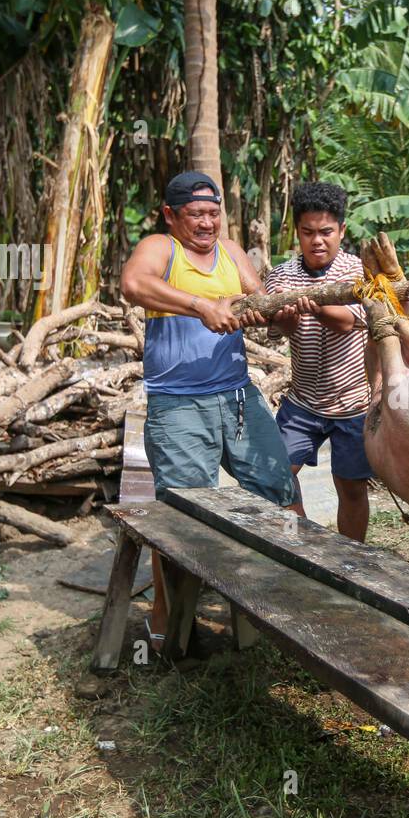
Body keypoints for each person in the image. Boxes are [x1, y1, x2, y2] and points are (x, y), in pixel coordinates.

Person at [120, 171, 304, 654]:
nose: (206, 224)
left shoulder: (232, 252)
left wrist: (285, 311)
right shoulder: (161, 249)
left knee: (279, 488)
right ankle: (171, 618)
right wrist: (200, 305)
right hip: (177, 405)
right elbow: (133, 284)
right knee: (184, 514)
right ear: (170, 216)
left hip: (237, 396)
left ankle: (290, 603)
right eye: (195, 215)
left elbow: (262, 309)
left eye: (213, 214)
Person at [266, 183, 373, 541]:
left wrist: (316, 304)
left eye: (326, 232)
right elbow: (278, 329)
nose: (317, 241)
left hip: (354, 402)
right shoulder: (281, 276)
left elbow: (348, 322)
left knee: (352, 488)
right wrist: (287, 316)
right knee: (277, 474)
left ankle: (351, 561)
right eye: (308, 232)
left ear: (342, 230)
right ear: (296, 231)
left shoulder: (359, 272)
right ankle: (304, 541)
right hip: (303, 401)